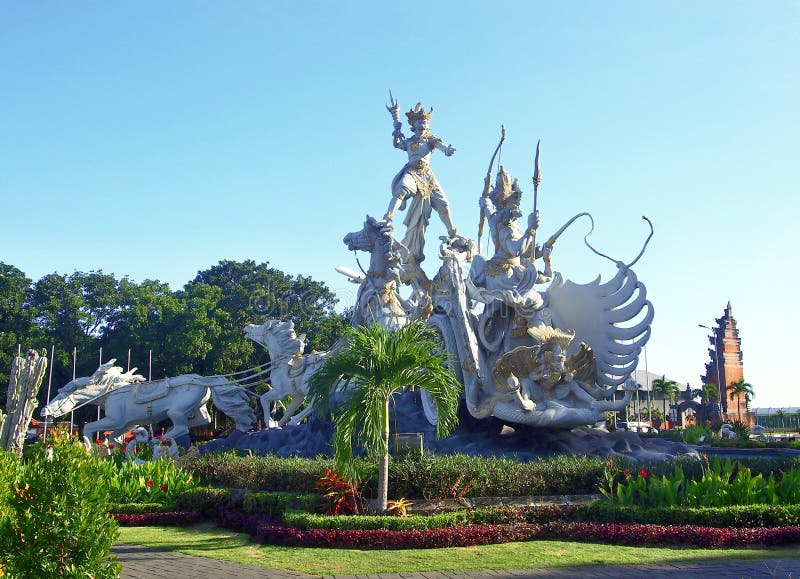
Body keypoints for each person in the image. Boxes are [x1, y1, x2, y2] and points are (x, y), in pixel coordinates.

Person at [468, 166, 553, 337]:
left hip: (495, 271)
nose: (517, 207)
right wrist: (530, 229)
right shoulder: (507, 227)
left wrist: (541, 252)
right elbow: (515, 250)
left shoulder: (495, 220)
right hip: (506, 276)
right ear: (508, 203)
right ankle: (542, 339)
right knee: (539, 301)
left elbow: (526, 253)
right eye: (514, 203)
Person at [384, 97, 458, 272]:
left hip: (427, 175)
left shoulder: (430, 139)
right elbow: (397, 144)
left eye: (425, 123)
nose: (423, 125)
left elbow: (440, 145)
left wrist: (447, 149)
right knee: (401, 190)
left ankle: (452, 232)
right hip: (411, 172)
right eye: (419, 123)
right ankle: (388, 217)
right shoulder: (409, 141)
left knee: (444, 205)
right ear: (414, 125)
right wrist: (396, 124)